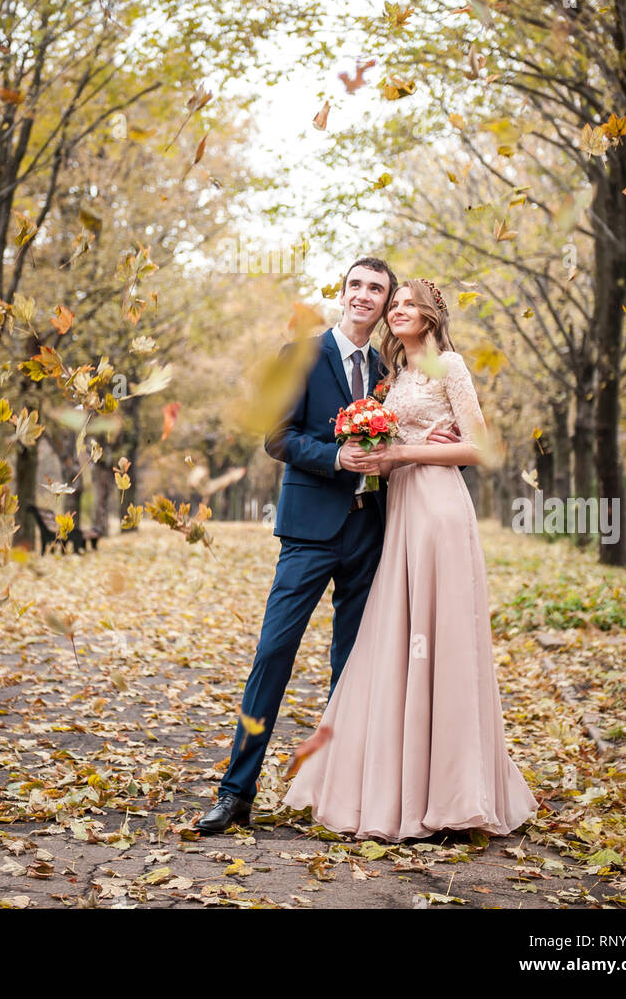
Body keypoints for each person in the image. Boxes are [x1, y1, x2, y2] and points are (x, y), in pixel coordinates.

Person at [195, 256, 458, 835]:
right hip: (309, 532)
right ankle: (236, 791)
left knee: (356, 665)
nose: (365, 295)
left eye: (378, 289)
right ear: (343, 294)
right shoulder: (303, 355)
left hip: (374, 531)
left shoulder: (393, 370)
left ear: (388, 303)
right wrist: (335, 456)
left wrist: (446, 434)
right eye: (356, 286)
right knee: (273, 653)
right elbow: (277, 437)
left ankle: (346, 791)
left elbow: (424, 421)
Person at [282, 277, 539, 841]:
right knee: (400, 642)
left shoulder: (450, 366)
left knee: (441, 643)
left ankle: (453, 798)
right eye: (391, 305)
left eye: (406, 304)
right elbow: (387, 452)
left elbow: (480, 446)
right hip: (398, 517)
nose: (396, 311)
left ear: (429, 314)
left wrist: (405, 451)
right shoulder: (390, 379)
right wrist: (375, 454)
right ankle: (401, 787)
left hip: (440, 514)